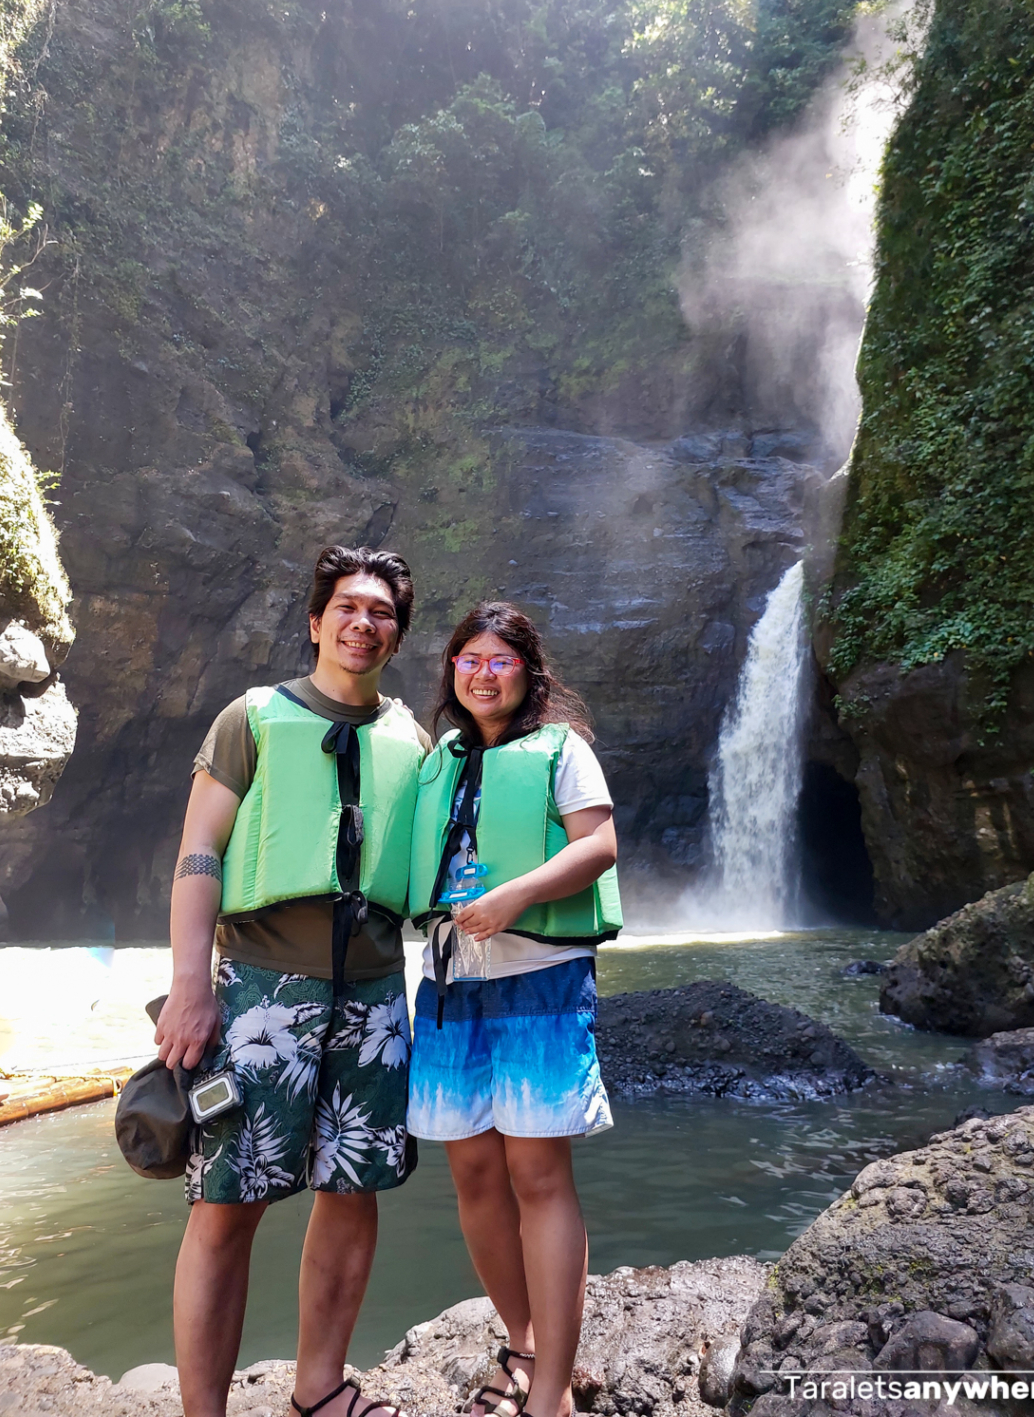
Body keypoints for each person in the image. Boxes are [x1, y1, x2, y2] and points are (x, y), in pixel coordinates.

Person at [153, 544, 430, 1417]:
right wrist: (190, 986)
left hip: (379, 997)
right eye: (347, 606)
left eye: (381, 612)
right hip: (260, 994)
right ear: (316, 624)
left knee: (354, 1193)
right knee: (226, 1202)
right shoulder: (251, 718)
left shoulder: (414, 739)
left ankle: (320, 1390)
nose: (363, 622)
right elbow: (199, 854)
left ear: (397, 635)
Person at [406, 602, 623, 1417]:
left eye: (501, 659)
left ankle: (552, 1394)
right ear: (452, 672)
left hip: (540, 974)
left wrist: (513, 898)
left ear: (528, 672)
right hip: (452, 981)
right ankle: (525, 1345)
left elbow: (597, 844)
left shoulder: (562, 749)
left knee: (536, 1172)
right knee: (471, 1170)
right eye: (469, 659)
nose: (483, 672)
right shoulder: (440, 763)